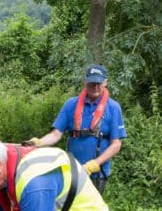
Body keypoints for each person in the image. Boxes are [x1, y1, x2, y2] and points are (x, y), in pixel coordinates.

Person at [25, 64, 126, 193]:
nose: (95, 87)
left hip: (97, 173)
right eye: (92, 83)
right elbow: (56, 134)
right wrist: (38, 142)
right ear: (85, 82)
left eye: (98, 83)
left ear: (105, 82)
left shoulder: (113, 107)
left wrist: (94, 164)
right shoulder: (71, 104)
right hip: (71, 170)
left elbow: (116, 144)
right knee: (68, 208)